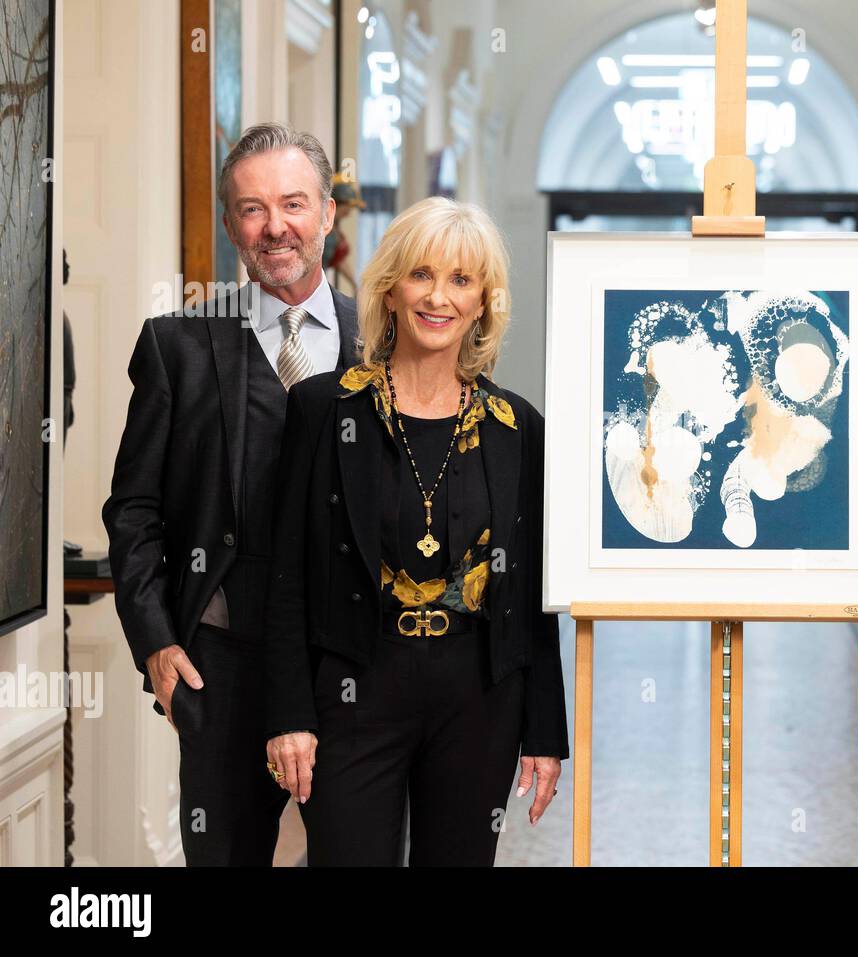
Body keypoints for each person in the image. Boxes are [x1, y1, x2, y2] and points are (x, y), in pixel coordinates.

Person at [262, 196, 568, 865]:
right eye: (422, 274)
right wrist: (288, 715)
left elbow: (533, 596)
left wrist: (546, 730)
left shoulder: (518, 428)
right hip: (353, 691)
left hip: (479, 700)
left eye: (461, 280)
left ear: (485, 299)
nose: (439, 297)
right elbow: (284, 576)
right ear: (391, 287)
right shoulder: (322, 409)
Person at [103, 122, 359, 865]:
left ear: (328, 213)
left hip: (351, 667)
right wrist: (155, 638)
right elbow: (134, 510)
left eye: (293, 203)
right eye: (251, 208)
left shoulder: (379, 339)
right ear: (229, 224)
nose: (274, 226)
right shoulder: (176, 344)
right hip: (222, 665)